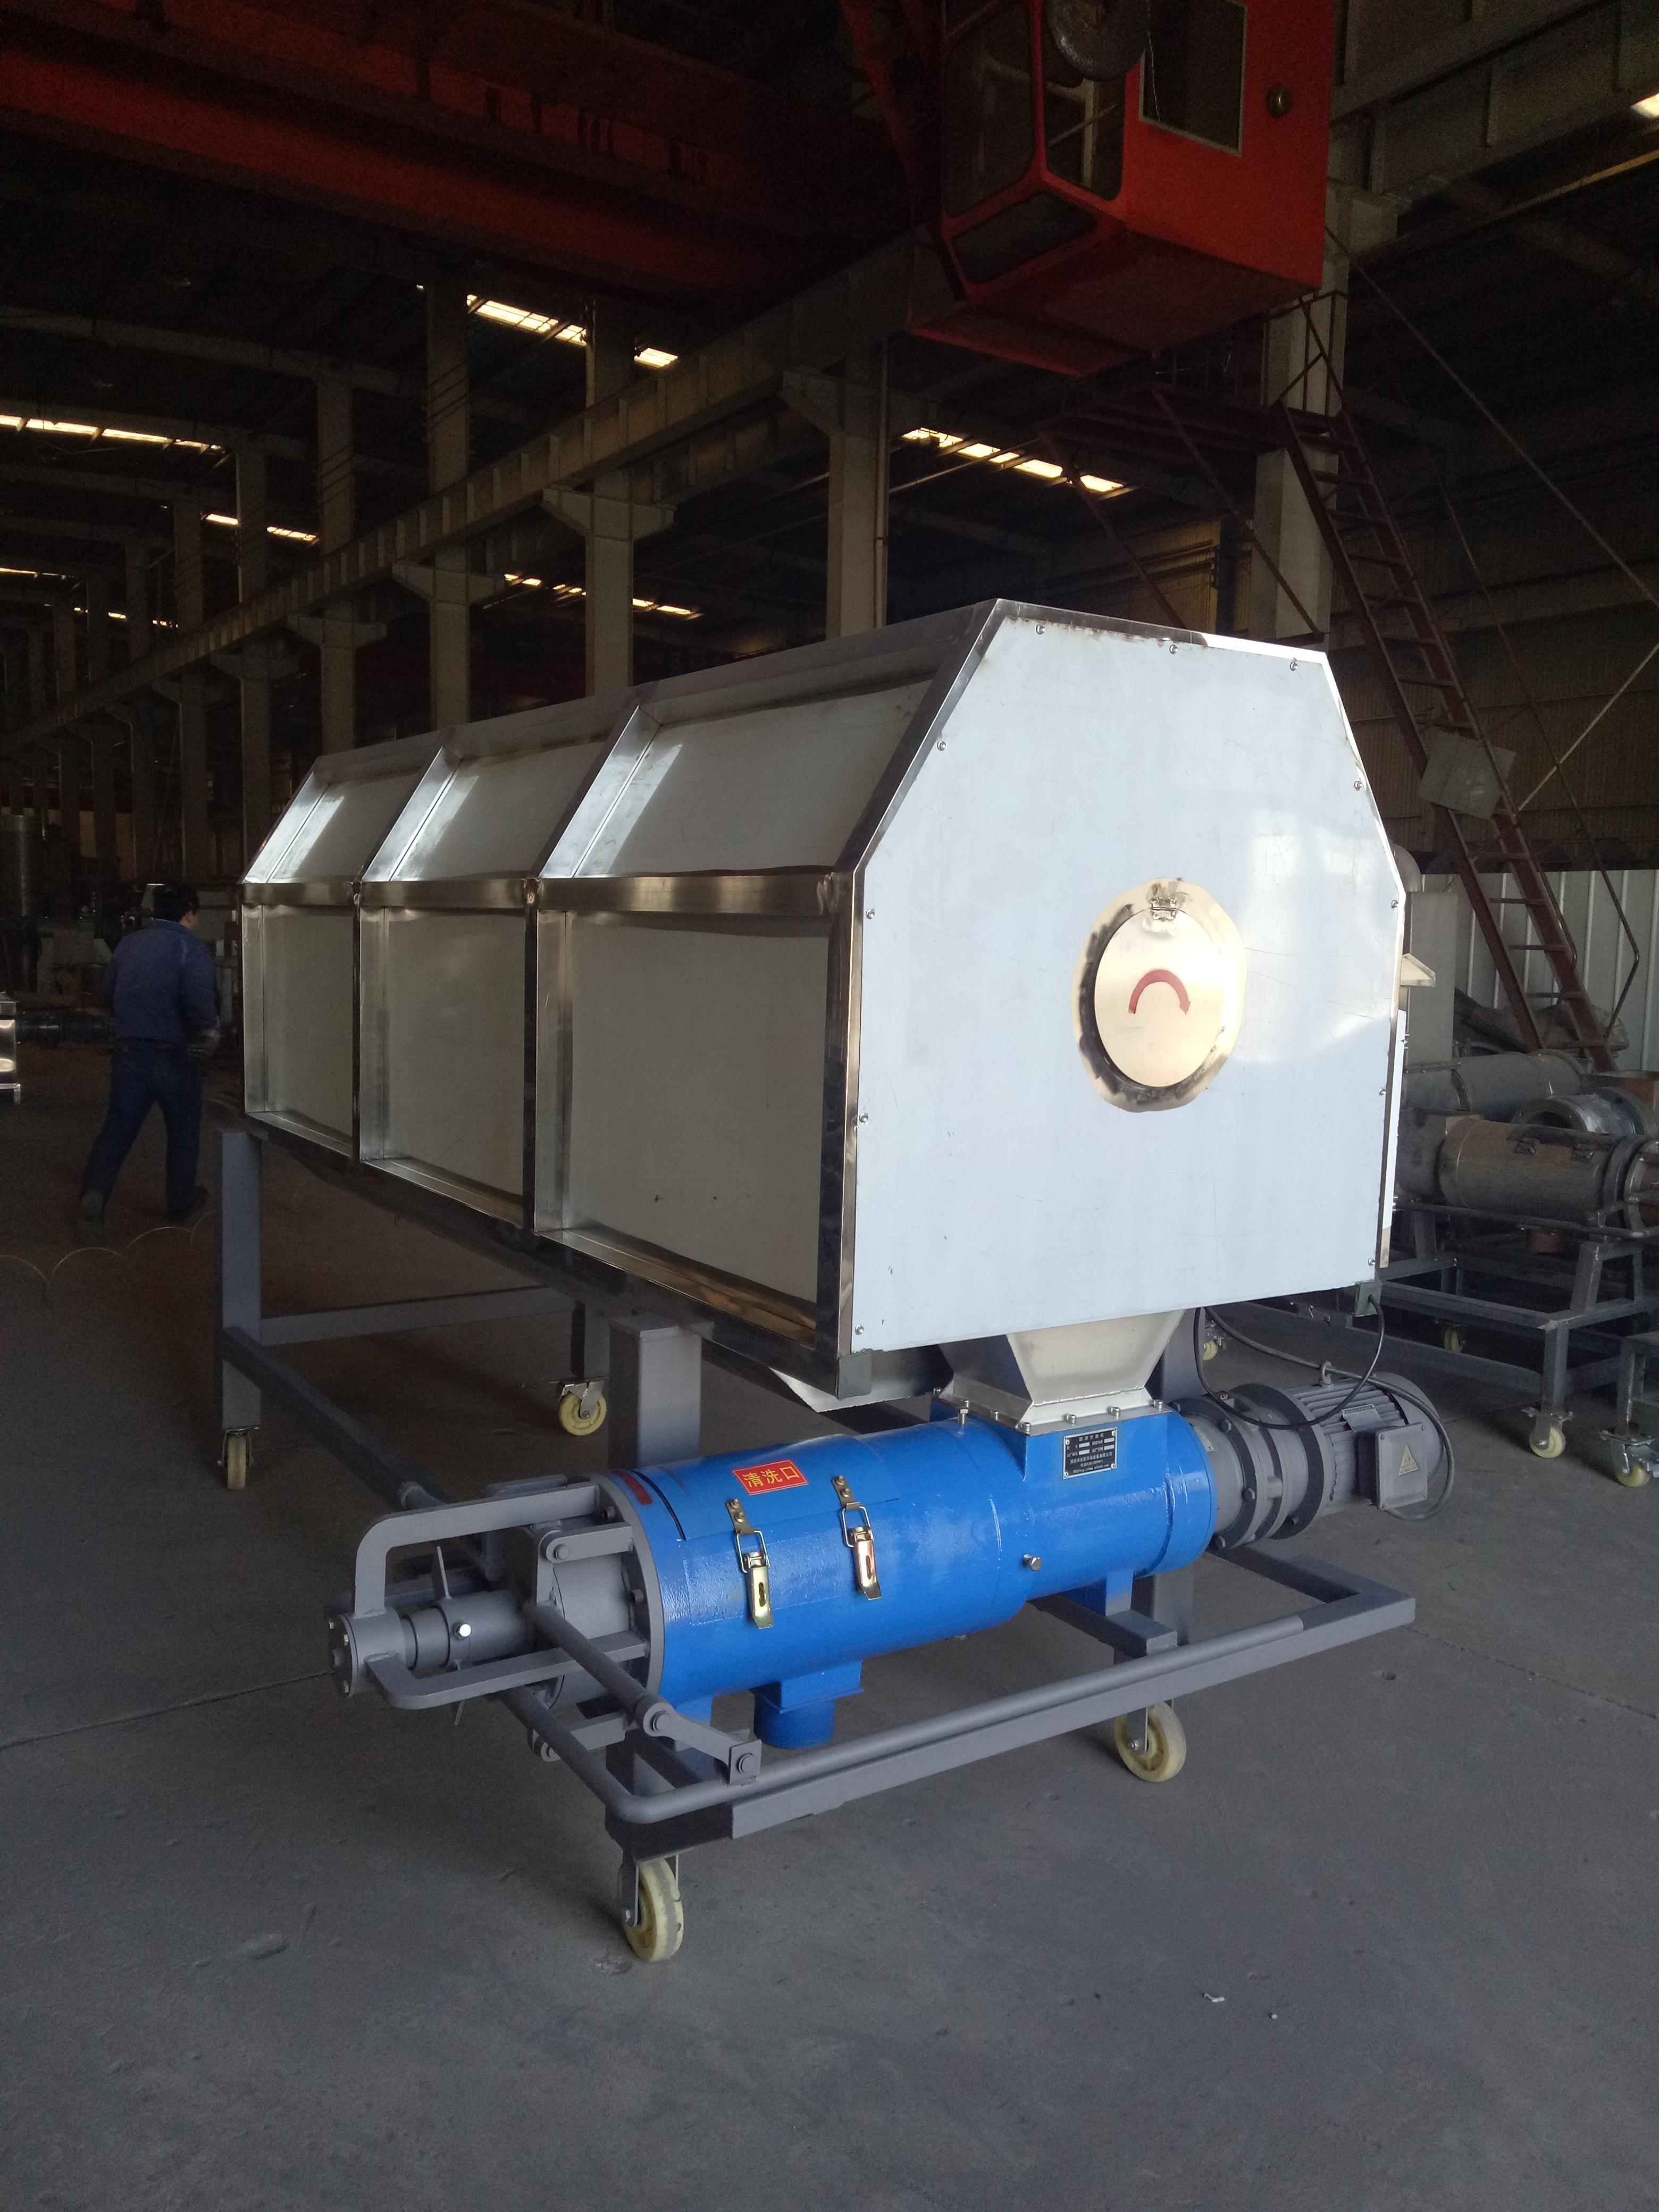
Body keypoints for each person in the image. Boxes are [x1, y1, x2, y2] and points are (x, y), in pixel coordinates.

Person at [77, 884, 220, 1240]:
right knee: (183, 1133)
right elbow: (199, 1001)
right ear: (189, 914)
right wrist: (209, 1032)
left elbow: (109, 993)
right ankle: (180, 1202)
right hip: (177, 1057)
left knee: (117, 1129)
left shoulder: (130, 944)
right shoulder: (190, 948)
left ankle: (94, 1194)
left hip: (130, 1055)